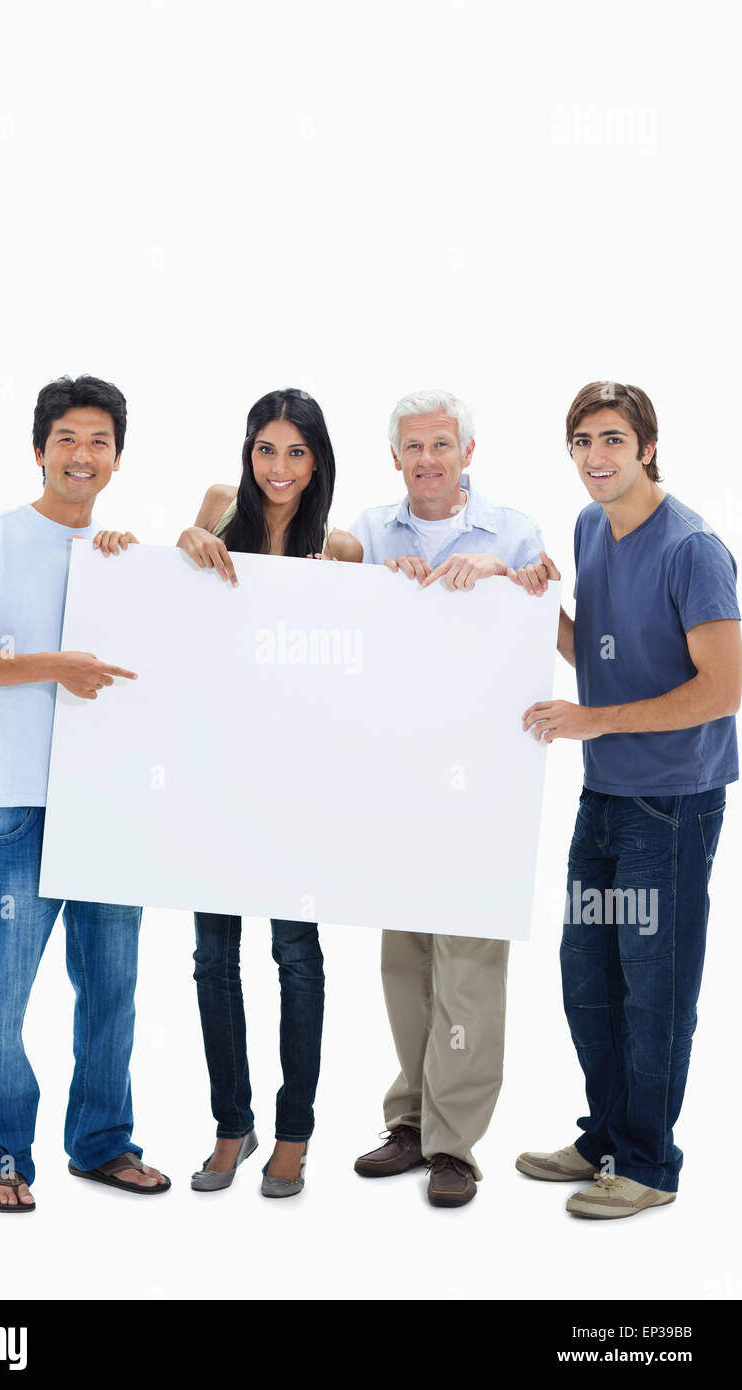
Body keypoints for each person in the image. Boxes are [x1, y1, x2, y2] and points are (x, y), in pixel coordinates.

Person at [0, 374, 169, 1212]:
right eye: (67, 438)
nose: (82, 454)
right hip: (22, 805)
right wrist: (53, 666)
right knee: (2, 988)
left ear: (116, 459)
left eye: (99, 441)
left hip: (110, 802)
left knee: (112, 986)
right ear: (39, 450)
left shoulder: (120, 558)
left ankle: (102, 1142)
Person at [516, 381, 741, 1218]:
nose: (595, 458)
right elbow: (601, 657)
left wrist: (591, 721)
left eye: (612, 439)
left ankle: (649, 1166)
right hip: (604, 794)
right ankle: (606, 1136)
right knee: (590, 978)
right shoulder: (588, 527)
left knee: (655, 988)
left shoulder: (693, 549)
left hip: (672, 808)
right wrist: (538, 604)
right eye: (581, 442)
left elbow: (722, 691)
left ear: (647, 445)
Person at [351, 389, 548, 1207]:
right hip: (397, 770)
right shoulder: (367, 533)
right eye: (412, 447)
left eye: (442, 445)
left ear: (468, 452)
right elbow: (337, 634)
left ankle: (455, 1144)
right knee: (406, 957)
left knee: (468, 959)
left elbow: (543, 621)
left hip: (483, 776)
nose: (427, 459)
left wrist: (502, 576)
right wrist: (379, 589)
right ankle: (410, 1119)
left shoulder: (512, 530)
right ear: (394, 458)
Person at [177, 387, 361, 1198]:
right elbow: (165, 612)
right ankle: (231, 1125)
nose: (278, 468)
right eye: (265, 450)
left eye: (295, 452)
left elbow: (363, 664)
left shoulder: (343, 548)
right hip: (214, 773)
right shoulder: (219, 509)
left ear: (316, 460)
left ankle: (294, 1132)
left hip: (298, 787)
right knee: (214, 958)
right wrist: (183, 541)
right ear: (247, 454)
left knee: (296, 958)